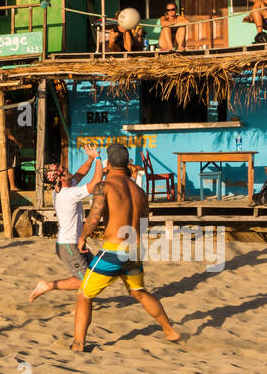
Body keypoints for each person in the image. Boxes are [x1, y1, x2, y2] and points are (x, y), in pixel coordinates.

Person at [71, 143, 181, 351]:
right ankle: (169, 330)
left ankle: (78, 342)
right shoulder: (139, 190)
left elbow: (94, 217)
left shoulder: (105, 186)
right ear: (128, 163)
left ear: (109, 164)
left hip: (114, 249)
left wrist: (83, 237)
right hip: (135, 247)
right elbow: (144, 221)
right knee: (138, 291)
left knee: (84, 295)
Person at [29, 151, 98, 301]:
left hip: (73, 242)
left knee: (94, 274)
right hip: (68, 245)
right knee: (84, 280)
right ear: (61, 178)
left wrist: (90, 159)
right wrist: (98, 160)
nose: (67, 169)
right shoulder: (68, 194)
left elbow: (80, 173)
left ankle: (79, 306)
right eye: (64, 169)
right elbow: (94, 183)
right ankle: (47, 285)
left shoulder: (62, 188)